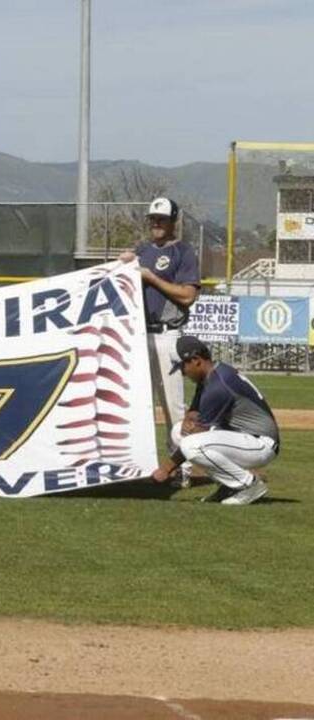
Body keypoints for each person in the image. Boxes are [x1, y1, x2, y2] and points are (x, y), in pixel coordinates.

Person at [118, 197, 199, 486]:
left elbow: (188, 295)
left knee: (173, 406)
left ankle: (181, 468)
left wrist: (151, 277)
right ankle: (137, 465)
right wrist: (122, 264)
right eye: (153, 218)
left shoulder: (183, 252)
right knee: (135, 403)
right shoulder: (141, 251)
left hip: (167, 334)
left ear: (173, 221)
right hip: (139, 335)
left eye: (162, 218)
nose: (156, 223)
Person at [151, 337, 278, 505]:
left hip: (260, 444)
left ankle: (249, 485)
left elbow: (198, 433)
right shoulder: (212, 374)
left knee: (191, 445)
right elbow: (194, 411)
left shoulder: (219, 385)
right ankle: (228, 486)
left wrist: (165, 470)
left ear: (196, 360)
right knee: (178, 432)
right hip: (242, 438)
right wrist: (189, 418)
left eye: (183, 366)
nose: (182, 372)